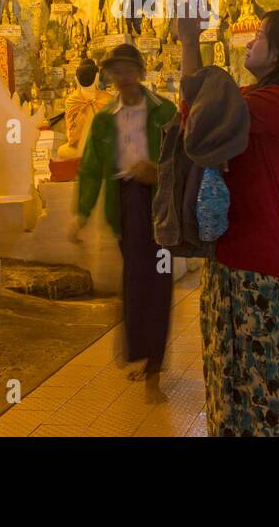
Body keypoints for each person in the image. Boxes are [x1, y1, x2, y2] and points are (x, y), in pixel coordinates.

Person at [179, 8, 279, 436]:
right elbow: (194, 114)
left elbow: (198, 119)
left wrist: (188, 43)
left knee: (267, 380)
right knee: (227, 374)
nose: (250, 41)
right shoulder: (251, 96)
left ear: (278, 55)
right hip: (226, 253)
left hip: (251, 258)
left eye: (259, 36)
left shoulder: (278, 103)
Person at [72, 44, 177, 402]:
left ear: (141, 71)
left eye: (128, 68)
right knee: (134, 281)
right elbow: (89, 169)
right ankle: (141, 356)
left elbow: (182, 160)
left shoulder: (165, 111)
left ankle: (154, 371)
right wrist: (81, 214)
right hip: (125, 203)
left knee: (160, 283)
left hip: (159, 203)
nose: (122, 76)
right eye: (115, 70)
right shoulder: (104, 118)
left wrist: (157, 175)